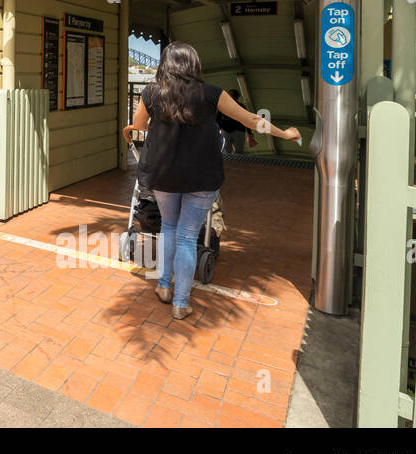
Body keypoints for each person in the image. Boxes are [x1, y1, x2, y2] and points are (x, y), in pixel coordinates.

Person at [122, 42, 300, 319]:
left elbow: (140, 125)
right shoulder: (212, 94)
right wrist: (285, 134)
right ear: (193, 64)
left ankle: (164, 287)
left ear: (165, 65)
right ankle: (181, 303)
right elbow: (253, 121)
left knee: (168, 228)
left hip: (163, 174)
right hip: (201, 177)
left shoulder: (151, 93)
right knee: (187, 236)